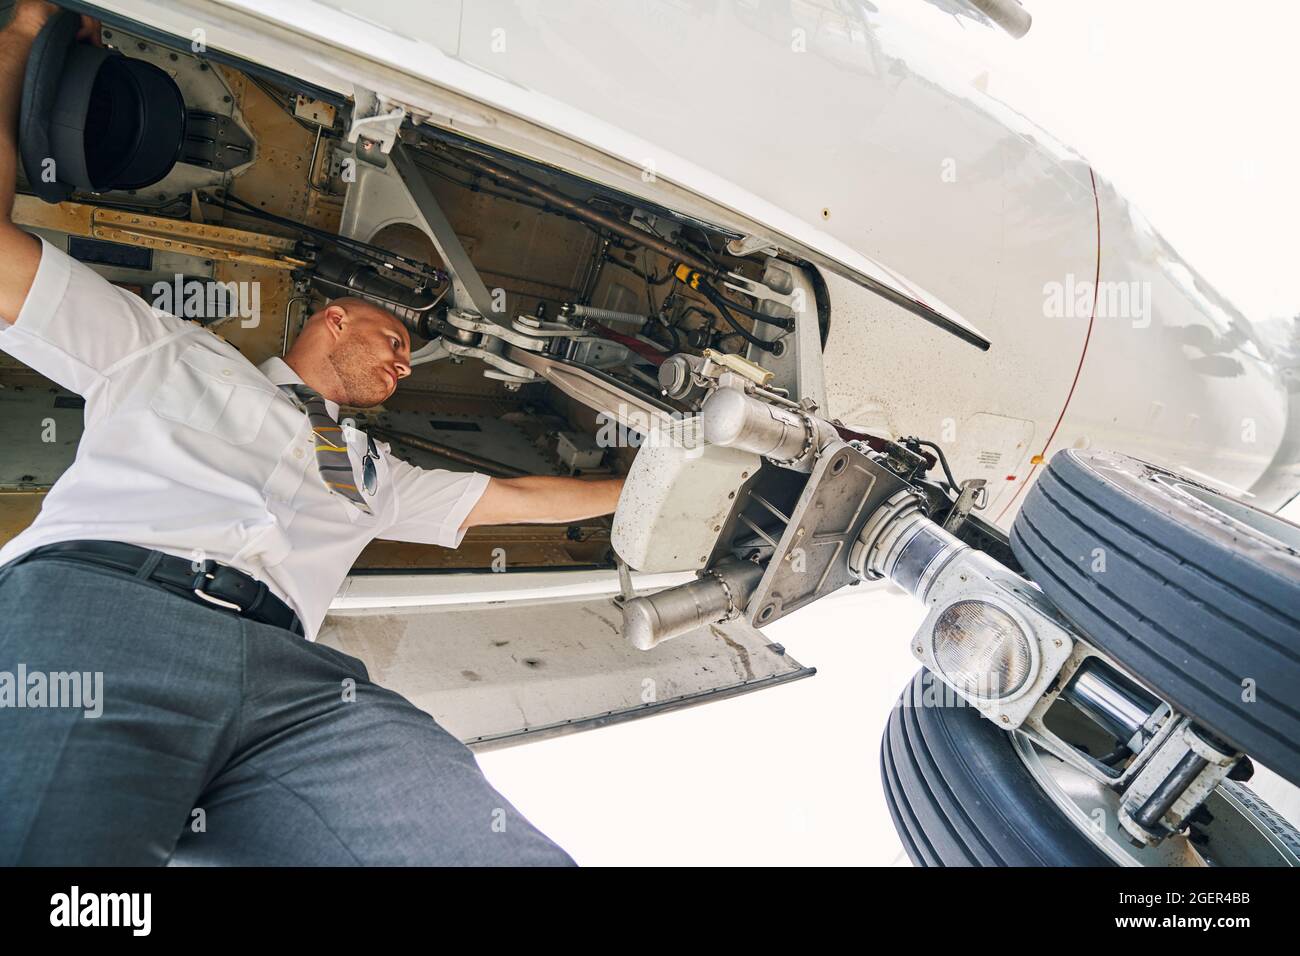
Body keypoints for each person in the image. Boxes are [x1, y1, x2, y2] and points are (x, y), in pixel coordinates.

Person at [0, 0, 622, 865]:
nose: (405, 367)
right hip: (105, 614)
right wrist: (27, 38)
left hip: (299, 686)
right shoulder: (167, 352)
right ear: (334, 319)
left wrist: (673, 475)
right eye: (397, 343)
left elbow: (518, 496)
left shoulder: (372, 474)